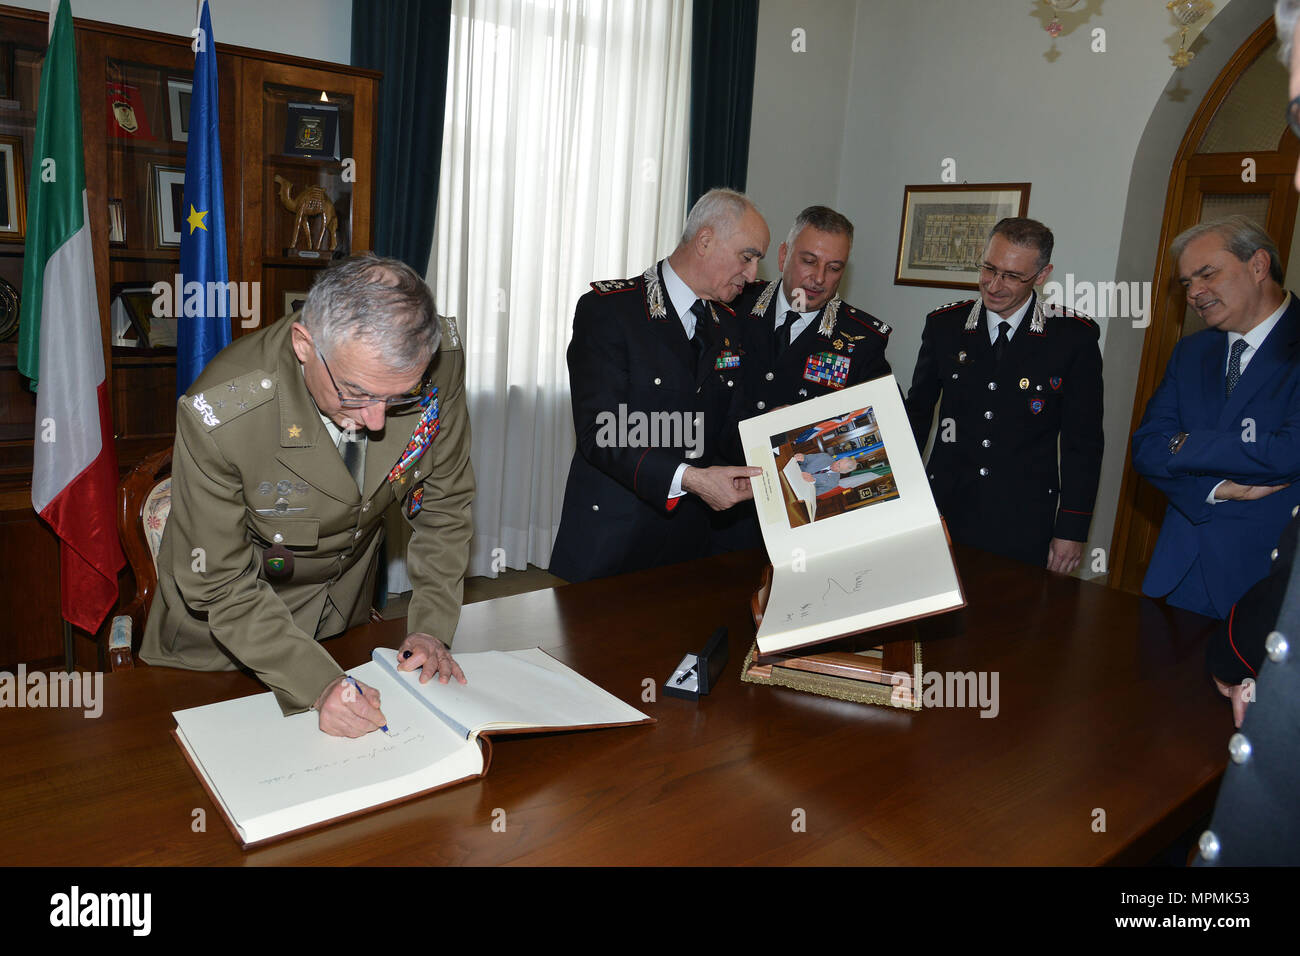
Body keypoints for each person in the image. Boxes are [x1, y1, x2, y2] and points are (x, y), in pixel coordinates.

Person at [141, 255, 474, 738]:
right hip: (223, 650)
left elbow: (445, 506)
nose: (377, 421)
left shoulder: (436, 366)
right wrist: (317, 684)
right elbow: (218, 584)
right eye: (356, 393)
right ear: (304, 345)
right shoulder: (223, 414)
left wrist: (430, 628)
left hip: (345, 619)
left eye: (398, 398)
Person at [548, 188, 766, 583]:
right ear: (705, 241)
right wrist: (691, 478)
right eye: (747, 257)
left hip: (688, 544)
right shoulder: (611, 310)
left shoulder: (727, 324)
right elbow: (602, 433)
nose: (753, 275)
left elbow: (724, 427)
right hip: (613, 540)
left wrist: (775, 431)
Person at [904, 217, 1103, 573]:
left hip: (1022, 522)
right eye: (988, 268)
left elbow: (1082, 444)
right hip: (945, 509)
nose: (994, 285)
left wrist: (1071, 529)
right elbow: (917, 415)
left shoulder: (1072, 339)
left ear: (1041, 276)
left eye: (1011, 276)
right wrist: (897, 497)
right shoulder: (945, 326)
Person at [1132, 216, 1300, 621]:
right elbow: (1145, 447)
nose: (1195, 292)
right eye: (1187, 283)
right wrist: (1219, 488)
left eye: (1207, 274)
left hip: (1267, 578)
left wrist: (1187, 443)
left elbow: (1288, 452)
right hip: (1180, 574)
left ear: (1259, 265)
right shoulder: (1192, 352)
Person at [734, 205, 891, 416]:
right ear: (783, 256)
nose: (819, 278)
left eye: (834, 268)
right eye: (809, 261)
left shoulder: (863, 341)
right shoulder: (735, 305)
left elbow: (883, 427)